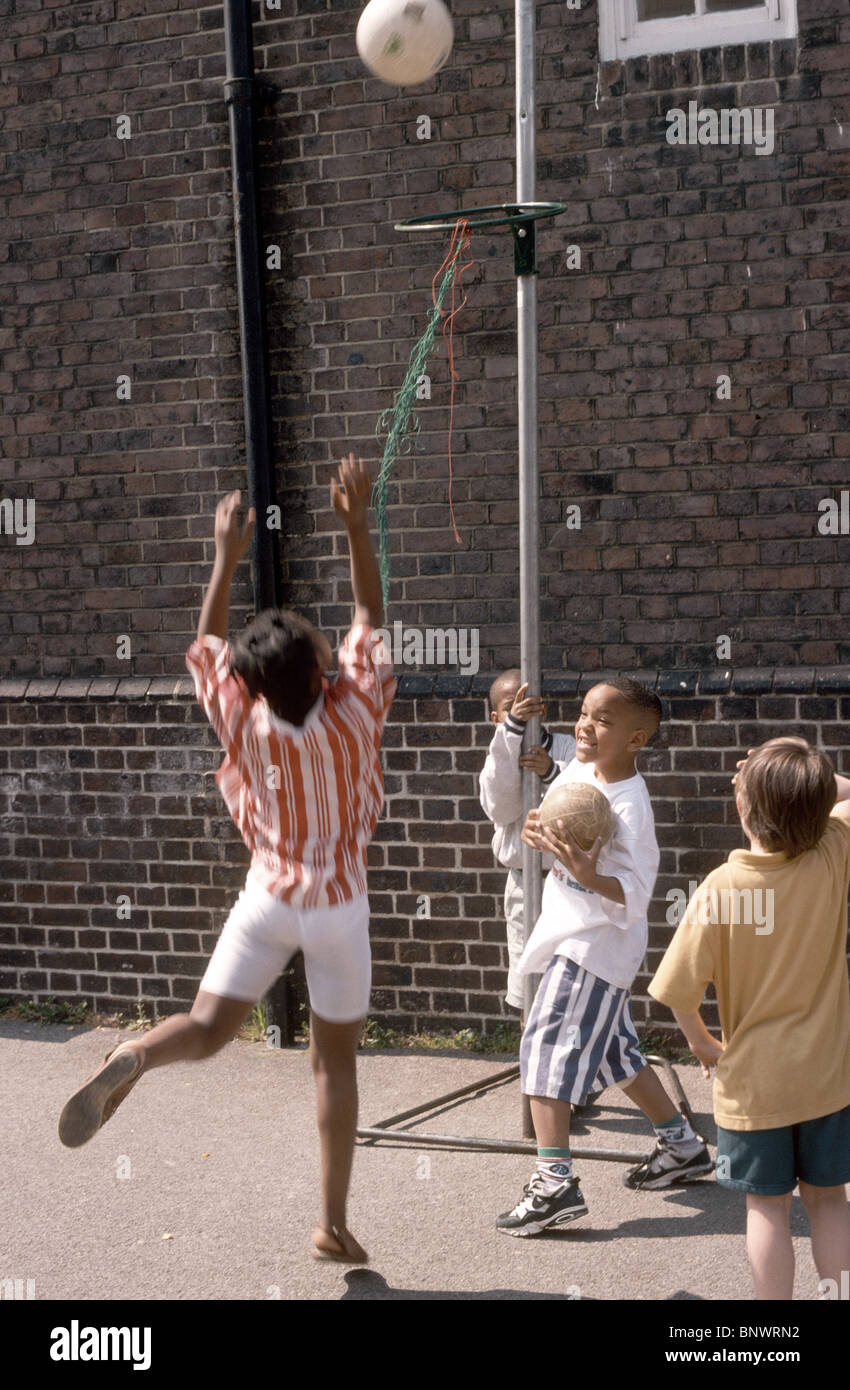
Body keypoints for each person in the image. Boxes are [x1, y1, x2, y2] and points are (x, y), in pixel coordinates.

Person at [59, 454, 395, 1267]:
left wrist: (224, 555)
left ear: (251, 685)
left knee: (207, 1028)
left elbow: (209, 643)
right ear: (322, 670)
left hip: (267, 896)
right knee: (333, 1062)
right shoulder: (355, 710)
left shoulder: (240, 719)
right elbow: (369, 612)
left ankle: (137, 1054)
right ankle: (331, 1221)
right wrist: (355, 525)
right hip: (338, 903)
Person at [496, 678, 713, 1237]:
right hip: (570, 931)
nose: (585, 727)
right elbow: (548, 824)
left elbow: (639, 893)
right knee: (617, 1055)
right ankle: (683, 1147)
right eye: (585, 715)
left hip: (596, 945)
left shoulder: (631, 805)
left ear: (636, 739)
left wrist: (593, 875)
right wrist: (537, 830)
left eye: (603, 721)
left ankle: (555, 1183)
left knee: (544, 1049)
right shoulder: (577, 773)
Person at [649, 737, 850, 1299]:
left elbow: (677, 991)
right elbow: (842, 796)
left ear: (743, 808)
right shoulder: (833, 851)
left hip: (757, 1089)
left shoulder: (722, 887)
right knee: (831, 1201)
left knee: (767, 1210)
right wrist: (804, 768)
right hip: (828, 1080)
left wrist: (705, 1046)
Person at [479, 670, 575, 1016]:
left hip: (567, 881)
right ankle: (530, 1053)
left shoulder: (568, 748)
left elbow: (581, 805)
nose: (522, 714)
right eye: (512, 709)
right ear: (496, 718)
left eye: (529, 707)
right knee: (529, 985)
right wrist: (512, 735)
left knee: (568, 978)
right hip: (522, 884)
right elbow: (502, 809)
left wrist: (551, 772)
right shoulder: (496, 758)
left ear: (543, 710)